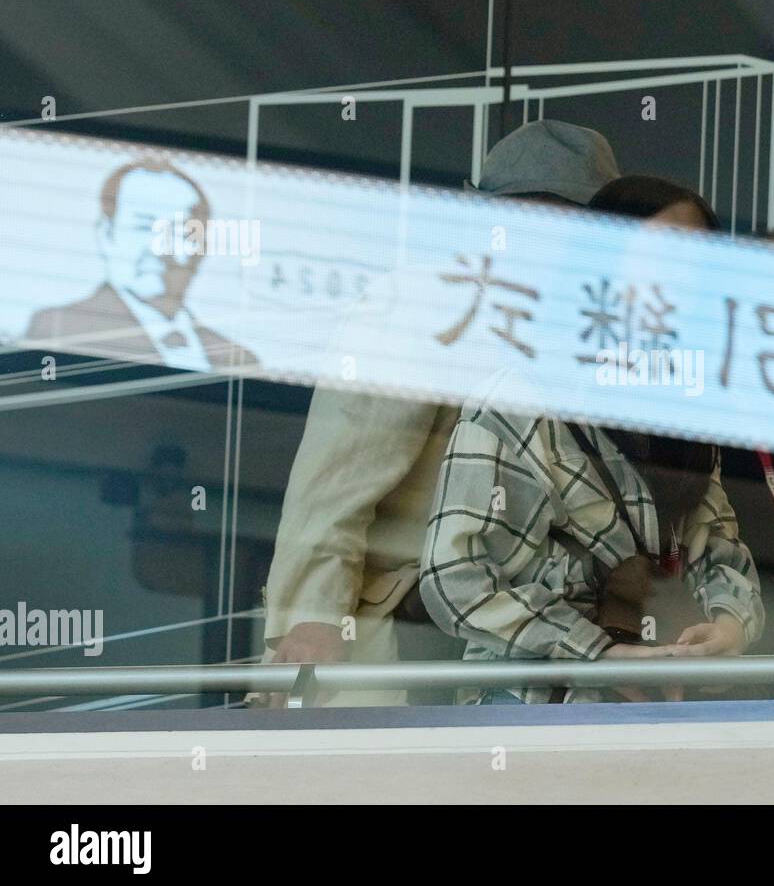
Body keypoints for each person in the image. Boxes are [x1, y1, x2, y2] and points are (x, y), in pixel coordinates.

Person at [257, 120, 620, 708]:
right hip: (406, 639)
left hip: (540, 645)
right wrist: (310, 617)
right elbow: (336, 476)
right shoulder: (426, 300)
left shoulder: (586, 329)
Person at [419, 176, 765, 705]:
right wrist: (596, 654)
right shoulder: (522, 396)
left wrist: (729, 624)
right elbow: (454, 579)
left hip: (655, 699)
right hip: (533, 707)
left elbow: (718, 550)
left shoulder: (687, 403)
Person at [25, 157, 258, 370]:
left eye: (179, 232)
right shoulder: (57, 328)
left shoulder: (240, 359)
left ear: (202, 248)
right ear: (106, 235)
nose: (159, 248)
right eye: (143, 227)